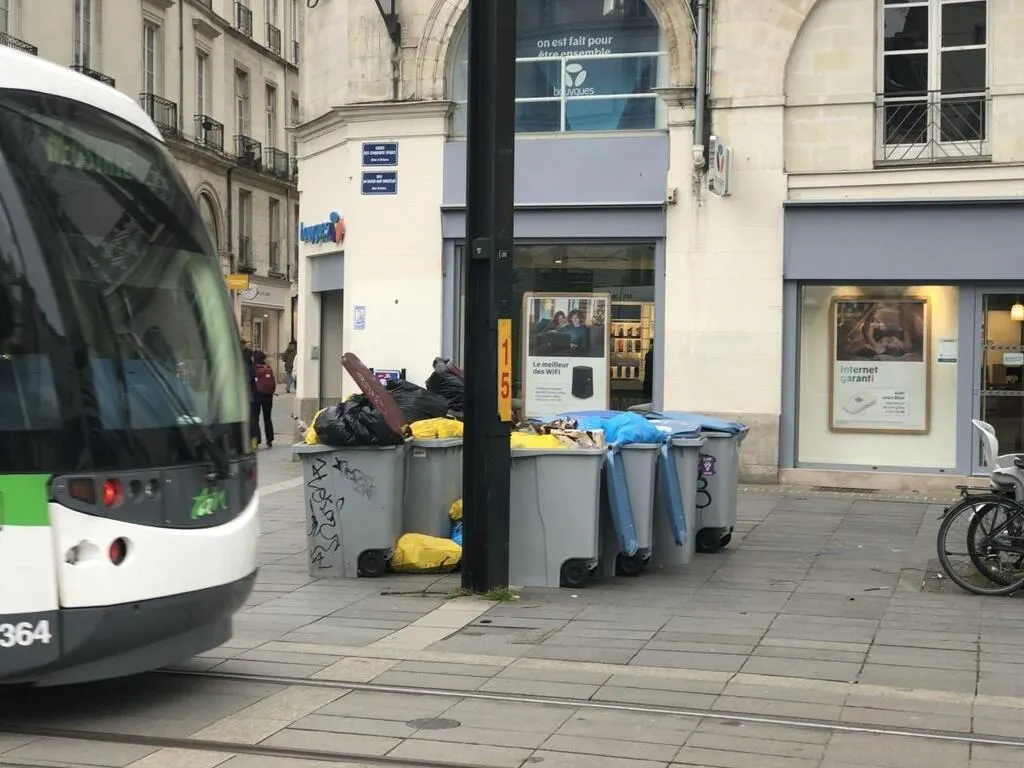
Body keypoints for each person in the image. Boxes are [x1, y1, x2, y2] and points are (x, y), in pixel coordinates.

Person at [252, 350, 276, 448]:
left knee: (255, 417)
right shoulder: (268, 367)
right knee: (267, 418)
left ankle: (257, 439)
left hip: (257, 394)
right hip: (268, 395)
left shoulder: (254, 368)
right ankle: (269, 439)